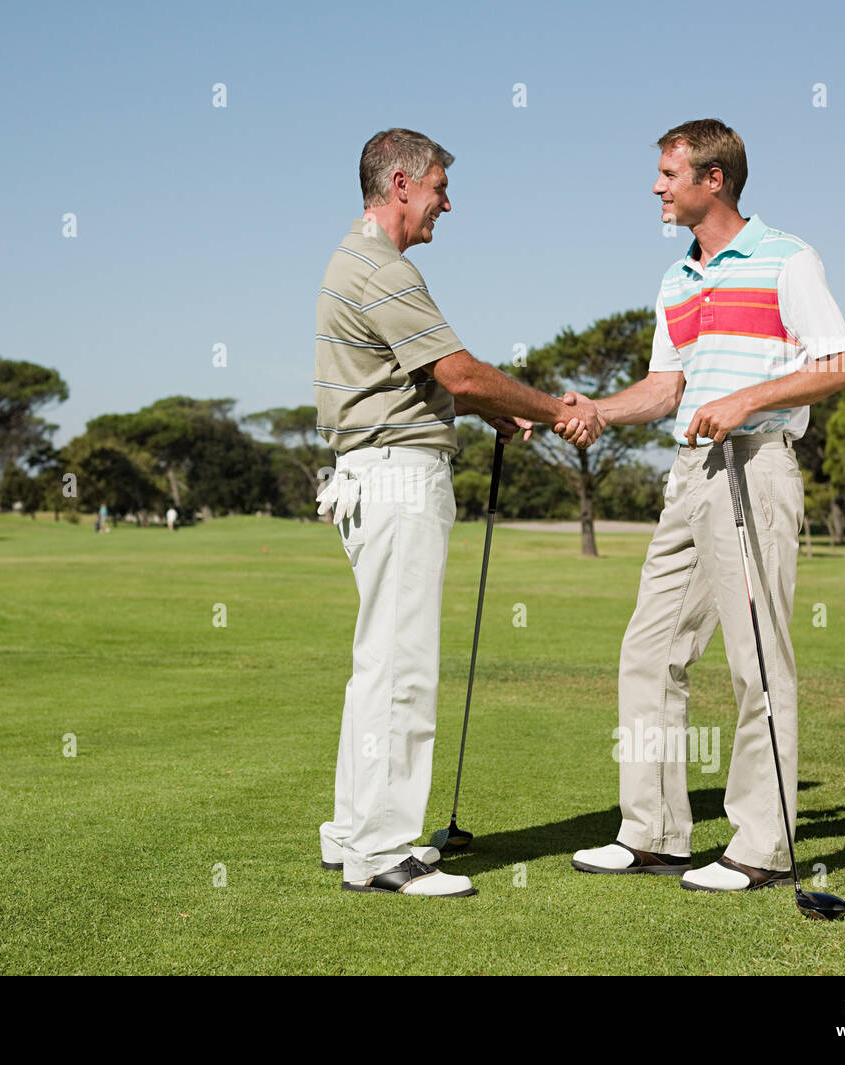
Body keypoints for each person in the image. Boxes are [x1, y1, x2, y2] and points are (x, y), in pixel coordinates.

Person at [564, 119, 845, 892]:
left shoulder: (787, 258)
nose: (657, 187)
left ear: (713, 179)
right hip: (689, 477)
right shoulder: (676, 279)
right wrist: (598, 409)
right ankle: (654, 834)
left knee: (757, 658)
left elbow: (839, 363)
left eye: (669, 173)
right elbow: (667, 388)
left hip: (754, 468)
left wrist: (746, 400)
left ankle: (762, 846)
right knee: (648, 648)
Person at [315, 128, 604, 898]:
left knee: (378, 662)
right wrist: (551, 407)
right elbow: (461, 372)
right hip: (397, 480)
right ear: (402, 183)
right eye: (441, 185)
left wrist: (480, 413)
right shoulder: (382, 268)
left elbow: (424, 383)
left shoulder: (359, 258)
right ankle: (380, 852)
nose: (449, 201)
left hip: (373, 476)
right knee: (401, 666)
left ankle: (351, 832)